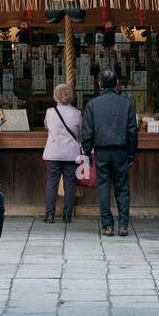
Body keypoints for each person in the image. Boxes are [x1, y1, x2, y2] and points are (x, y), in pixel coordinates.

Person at [81, 67, 138, 237]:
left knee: (104, 187)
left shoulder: (92, 105)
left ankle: (107, 226)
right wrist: (131, 153)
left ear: (99, 84)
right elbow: (132, 131)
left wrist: (86, 151)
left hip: (101, 151)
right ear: (117, 84)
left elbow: (87, 132)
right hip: (121, 151)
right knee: (122, 189)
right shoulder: (127, 103)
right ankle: (123, 225)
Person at [43, 83, 83, 224]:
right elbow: (79, 134)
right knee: (70, 183)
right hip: (71, 153)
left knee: (52, 183)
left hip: (53, 152)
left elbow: (47, 126)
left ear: (56, 96)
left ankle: (49, 215)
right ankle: (67, 215)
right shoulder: (77, 113)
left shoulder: (50, 112)